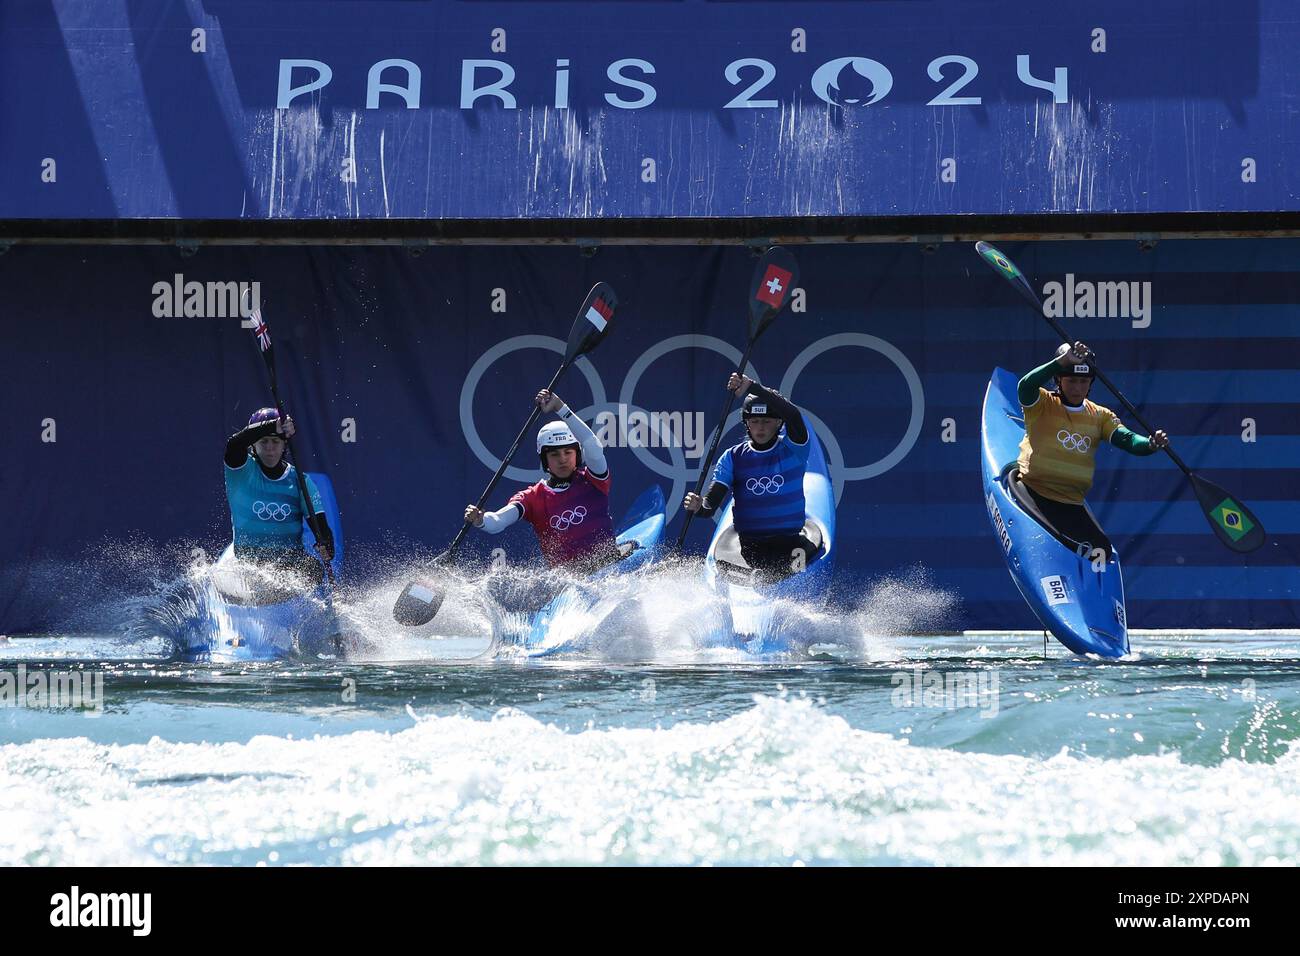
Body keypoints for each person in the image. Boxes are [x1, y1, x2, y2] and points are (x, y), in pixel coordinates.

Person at [1014, 341, 1169, 560]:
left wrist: (1150, 444)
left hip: (1071, 504)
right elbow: (1025, 386)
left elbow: (1128, 440)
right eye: (1071, 381)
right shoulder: (1042, 403)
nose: (1077, 388)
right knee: (1055, 546)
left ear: (1091, 383)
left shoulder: (1100, 415)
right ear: (1058, 379)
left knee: (1102, 555)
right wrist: (1061, 362)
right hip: (1035, 494)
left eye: (1083, 381)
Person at [465, 389, 619, 573]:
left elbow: (592, 445)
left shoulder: (594, 480)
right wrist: (481, 519)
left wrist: (560, 408)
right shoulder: (532, 497)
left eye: (568, 452)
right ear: (544, 460)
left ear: (577, 454)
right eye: (554, 454)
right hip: (573, 585)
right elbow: (498, 521)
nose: (562, 459)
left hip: (611, 567)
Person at [683, 372, 819, 579]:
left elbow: (793, 415)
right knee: (760, 573)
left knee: (783, 568)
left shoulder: (795, 449)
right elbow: (709, 507)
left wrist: (752, 387)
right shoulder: (732, 457)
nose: (760, 427)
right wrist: (698, 506)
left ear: (779, 423)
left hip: (791, 542)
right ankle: (761, 579)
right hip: (751, 545)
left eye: (766, 421)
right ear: (747, 424)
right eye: (754, 421)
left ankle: (774, 578)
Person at [223, 408, 334, 581]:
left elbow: (322, 530)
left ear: (284, 445)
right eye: (264, 441)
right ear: (253, 444)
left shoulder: (301, 482)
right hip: (248, 568)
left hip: (288, 570)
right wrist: (273, 426)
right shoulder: (241, 471)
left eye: (275, 441)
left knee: (314, 569)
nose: (269, 449)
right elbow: (234, 445)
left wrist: (326, 543)